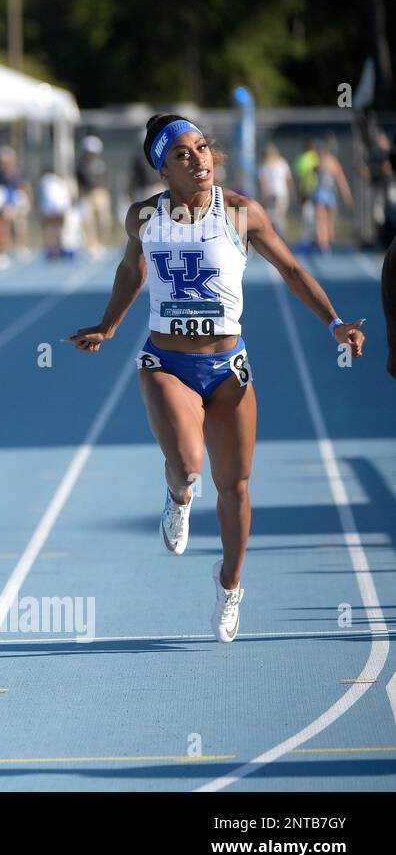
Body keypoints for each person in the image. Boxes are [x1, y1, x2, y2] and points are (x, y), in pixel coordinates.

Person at [70, 114, 364, 642]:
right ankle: (179, 495)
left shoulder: (241, 214)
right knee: (187, 465)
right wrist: (109, 326)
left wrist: (335, 322)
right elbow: (131, 269)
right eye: (182, 154)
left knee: (236, 487)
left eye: (202, 147)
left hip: (229, 365)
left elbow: (293, 270)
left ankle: (229, 586)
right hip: (168, 363)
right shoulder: (143, 217)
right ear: (163, 170)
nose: (198, 159)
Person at [311, 135, 353, 253]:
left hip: (325, 193)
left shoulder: (321, 161)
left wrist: (346, 195)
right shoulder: (326, 161)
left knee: (324, 221)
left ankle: (325, 244)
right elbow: (341, 179)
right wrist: (347, 195)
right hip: (326, 193)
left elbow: (340, 178)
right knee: (326, 220)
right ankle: (326, 244)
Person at [76, 135, 112, 257]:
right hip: (88, 194)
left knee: (104, 221)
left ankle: (102, 243)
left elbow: (105, 179)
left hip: (101, 194)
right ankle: (92, 245)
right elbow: (80, 182)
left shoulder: (101, 164)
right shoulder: (81, 165)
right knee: (89, 222)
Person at [257, 143, 293, 235]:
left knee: (277, 216)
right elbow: (287, 179)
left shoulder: (277, 164)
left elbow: (287, 179)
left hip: (277, 193)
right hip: (276, 194)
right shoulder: (269, 165)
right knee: (276, 216)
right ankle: (278, 235)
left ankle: (279, 235)